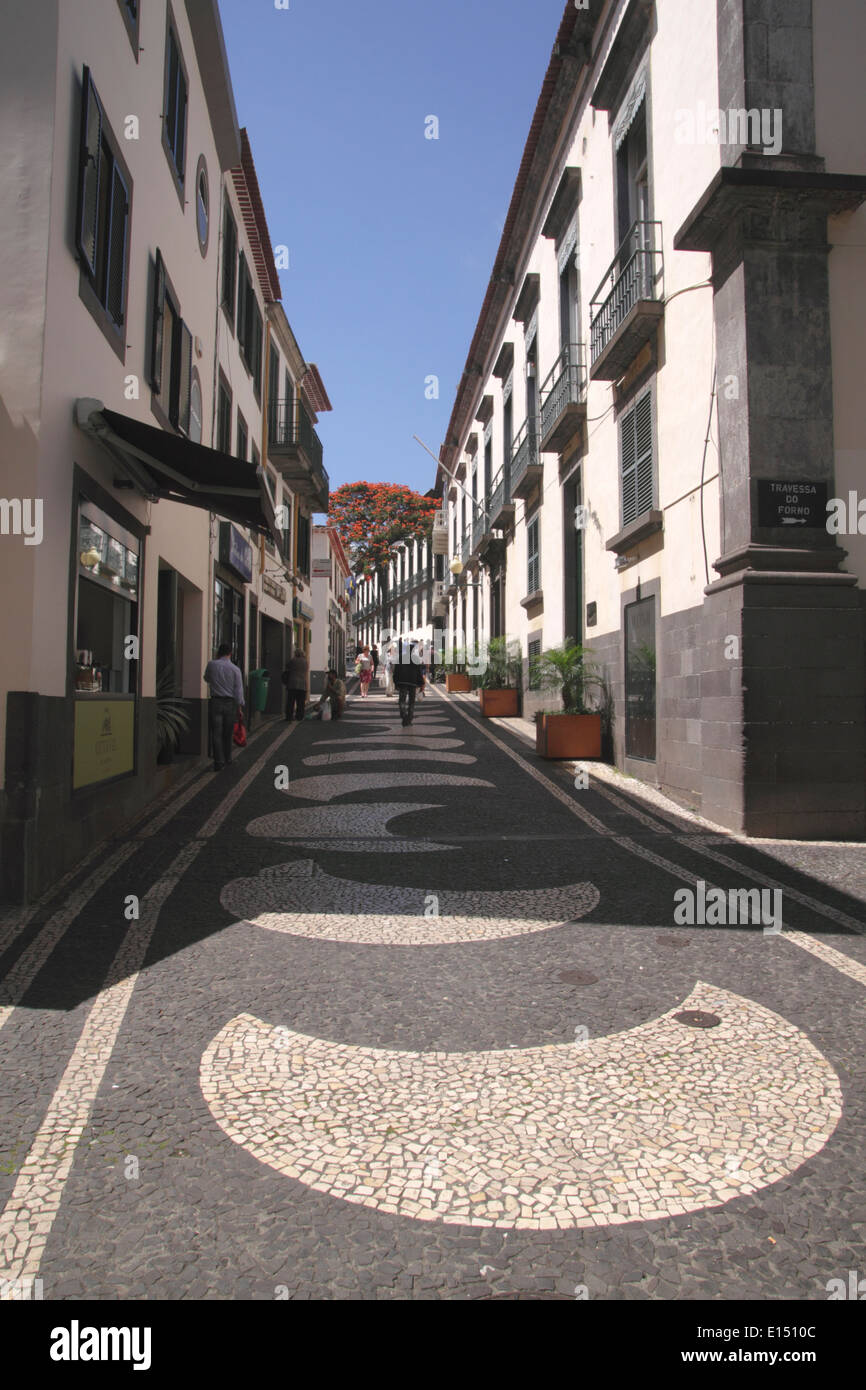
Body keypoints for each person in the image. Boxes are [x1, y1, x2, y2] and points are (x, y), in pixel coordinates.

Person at [203, 642, 245, 772]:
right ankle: (228, 758)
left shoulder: (211, 665)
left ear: (218, 652)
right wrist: (240, 708)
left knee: (216, 733)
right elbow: (238, 690)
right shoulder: (235, 669)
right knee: (228, 732)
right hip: (229, 703)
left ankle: (218, 761)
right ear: (230, 653)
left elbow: (206, 678)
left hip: (215, 701)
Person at [393, 641, 425, 725]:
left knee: (402, 700)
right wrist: (421, 683)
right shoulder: (416, 659)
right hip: (412, 682)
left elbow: (396, 671)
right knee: (411, 701)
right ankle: (409, 719)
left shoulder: (400, 658)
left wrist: (395, 681)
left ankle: (404, 715)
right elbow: (419, 672)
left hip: (402, 682)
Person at [282, 648, 309, 721]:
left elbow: (287, 666)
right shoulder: (305, 662)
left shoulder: (293, 660)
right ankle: (299, 716)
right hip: (302, 684)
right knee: (301, 702)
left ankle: (289, 716)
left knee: (291, 701)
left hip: (293, 684)